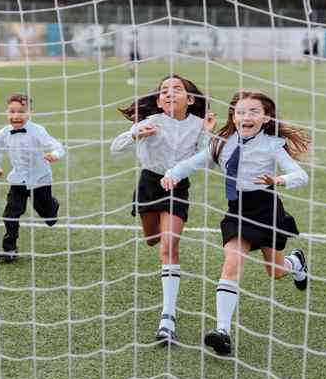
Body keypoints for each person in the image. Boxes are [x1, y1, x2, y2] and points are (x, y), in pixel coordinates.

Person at [161, 90, 310, 355]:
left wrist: (279, 180)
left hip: (266, 211)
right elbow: (194, 162)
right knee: (231, 264)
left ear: (266, 118)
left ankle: (296, 263)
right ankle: (223, 332)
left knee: (275, 271)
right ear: (234, 115)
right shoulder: (222, 142)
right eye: (241, 111)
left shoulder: (272, 145)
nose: (246, 116)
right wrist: (172, 174)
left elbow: (300, 175)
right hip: (237, 211)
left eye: (254, 111)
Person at [111, 75, 216, 344]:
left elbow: (207, 162)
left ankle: (167, 316)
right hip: (148, 185)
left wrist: (207, 133)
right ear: (158, 100)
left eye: (177, 90)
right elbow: (115, 149)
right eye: (164, 91)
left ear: (190, 100)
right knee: (152, 239)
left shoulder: (198, 125)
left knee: (168, 247)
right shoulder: (151, 122)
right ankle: (156, 236)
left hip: (177, 188)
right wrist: (135, 133)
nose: (170, 94)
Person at [0, 94, 64, 263]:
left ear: (30, 113)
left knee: (47, 215)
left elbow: (56, 145)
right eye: (12, 111)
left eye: (21, 112)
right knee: (10, 213)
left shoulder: (38, 131)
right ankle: (10, 249)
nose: (16, 116)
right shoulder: (4, 133)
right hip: (18, 180)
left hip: (40, 179)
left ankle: (53, 204)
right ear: (7, 112)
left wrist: (54, 154)